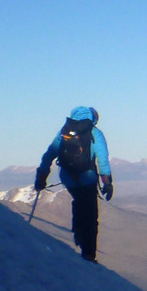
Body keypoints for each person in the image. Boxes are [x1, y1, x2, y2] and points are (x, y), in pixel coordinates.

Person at [35, 106, 114, 262]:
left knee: (79, 201)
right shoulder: (94, 133)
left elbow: (50, 153)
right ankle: (88, 253)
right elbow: (102, 158)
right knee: (91, 215)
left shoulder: (64, 131)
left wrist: (41, 176)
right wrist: (107, 182)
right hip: (88, 177)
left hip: (68, 177)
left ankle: (78, 230)